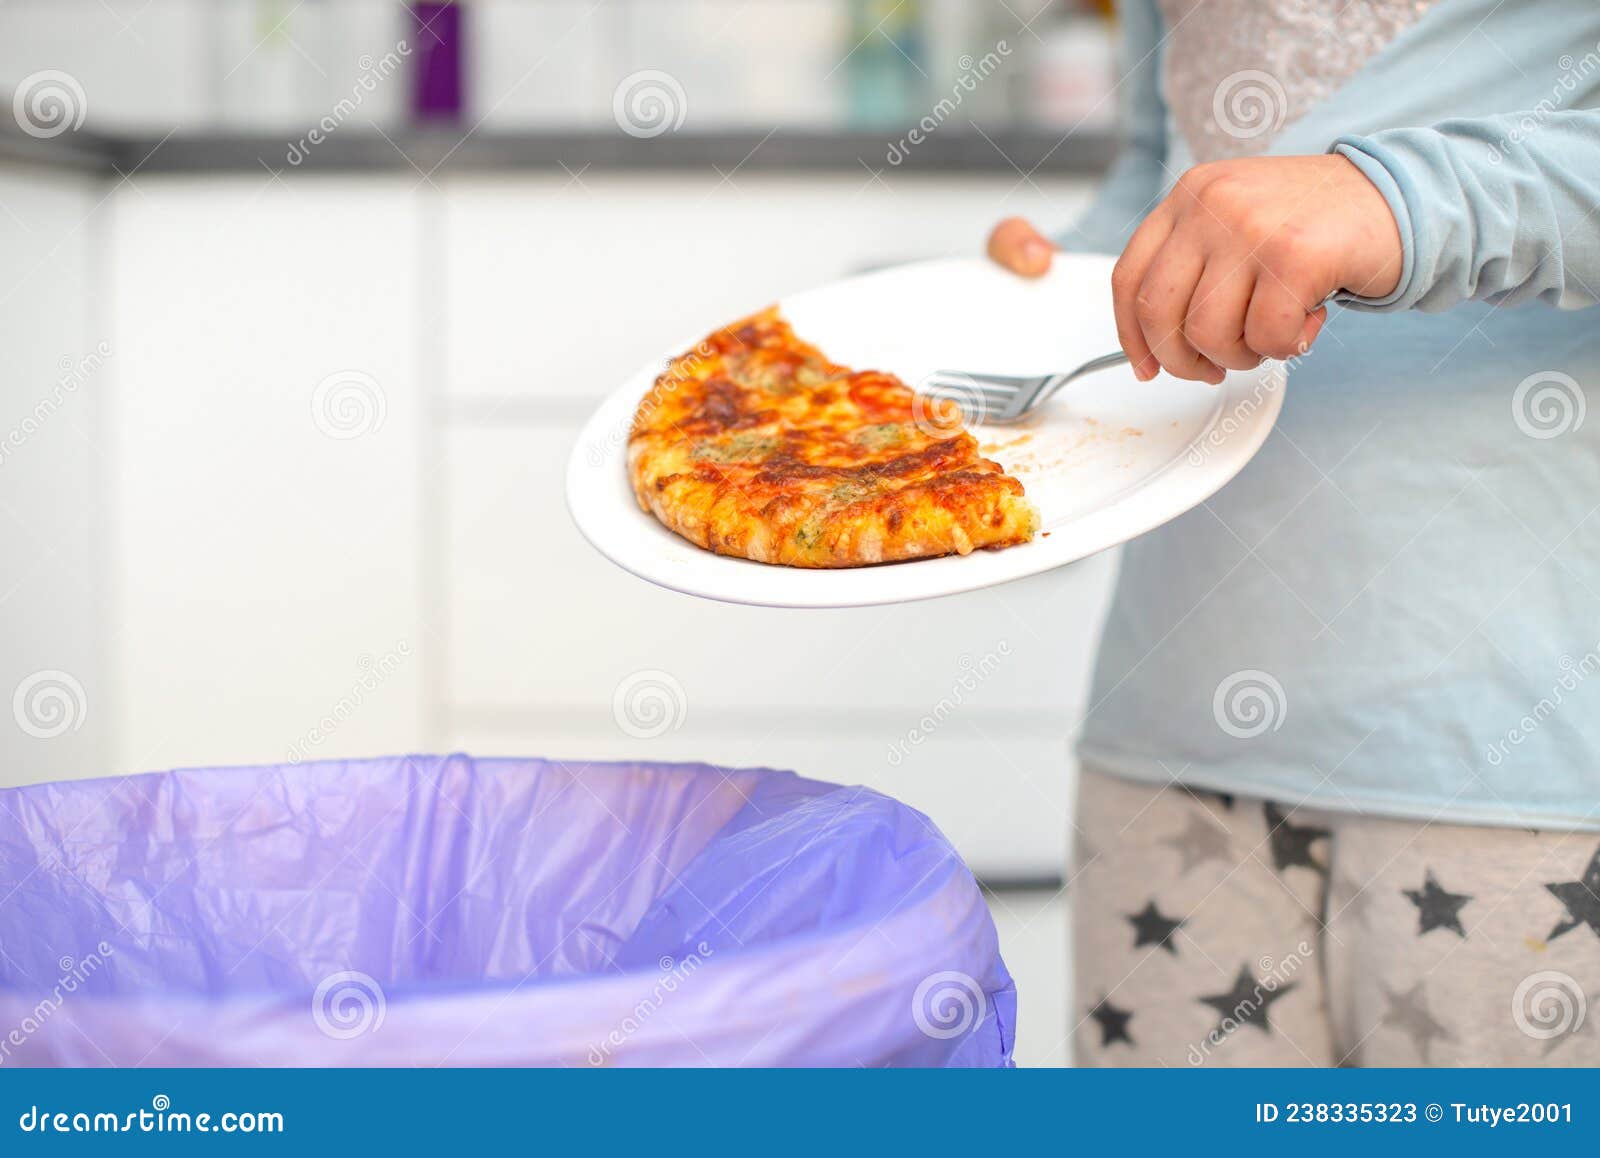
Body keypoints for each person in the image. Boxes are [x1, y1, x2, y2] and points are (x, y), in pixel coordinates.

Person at [989, 0, 1600, 1066]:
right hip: (1168, 749)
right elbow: (1163, 177)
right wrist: (1054, 289)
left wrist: (1390, 198)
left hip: (1519, 780)